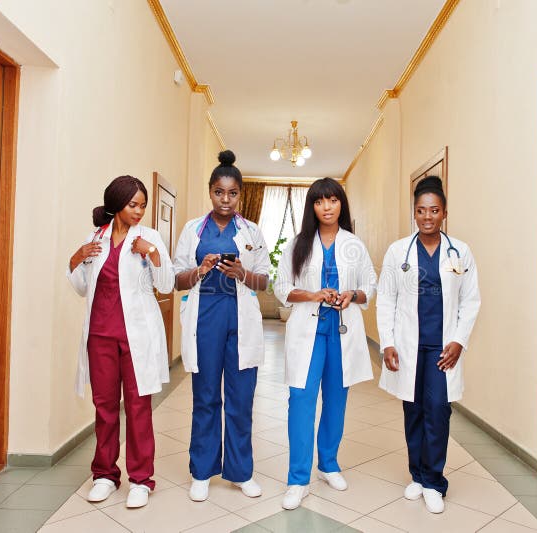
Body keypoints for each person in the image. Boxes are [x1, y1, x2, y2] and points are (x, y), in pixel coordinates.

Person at [67, 175, 174, 508]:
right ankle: (104, 475)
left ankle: (141, 479)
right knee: (105, 407)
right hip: (100, 335)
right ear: (116, 204)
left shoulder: (149, 237)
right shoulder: (95, 238)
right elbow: (82, 287)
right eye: (133, 205)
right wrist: (77, 257)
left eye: (143, 205)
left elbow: (166, 284)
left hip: (137, 336)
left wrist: (152, 253)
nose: (139, 211)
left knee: (139, 407)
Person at [376, 176, 480, 514]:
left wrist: (459, 340)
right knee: (413, 410)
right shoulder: (398, 251)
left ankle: (434, 481)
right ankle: (417, 476)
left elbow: (471, 300)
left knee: (437, 411)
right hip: (409, 345)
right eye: (421, 210)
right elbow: (386, 299)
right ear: (414, 213)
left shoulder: (460, 251)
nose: (427, 217)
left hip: (441, 348)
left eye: (434, 210)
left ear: (444, 213)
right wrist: (388, 342)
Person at [273, 177, 377, 510]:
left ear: (341, 203)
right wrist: (312, 294)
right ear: (312, 207)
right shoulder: (298, 244)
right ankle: (297, 478)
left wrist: (352, 295)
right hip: (308, 330)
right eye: (319, 201)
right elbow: (281, 286)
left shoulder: (353, 244)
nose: (327, 207)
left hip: (341, 331)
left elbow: (370, 284)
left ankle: (328, 464)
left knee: (335, 401)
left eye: (332, 200)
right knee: (301, 401)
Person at [173, 150, 270, 502]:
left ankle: (241, 472)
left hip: (240, 319)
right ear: (210, 191)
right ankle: (202, 471)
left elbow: (264, 282)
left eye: (232, 193)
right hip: (205, 318)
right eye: (218, 192)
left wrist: (242, 273)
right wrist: (200, 269)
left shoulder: (252, 231)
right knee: (206, 397)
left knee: (241, 400)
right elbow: (176, 280)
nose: (225, 200)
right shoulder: (192, 230)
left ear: (240, 195)